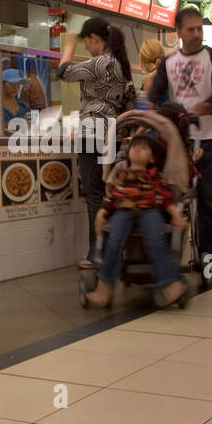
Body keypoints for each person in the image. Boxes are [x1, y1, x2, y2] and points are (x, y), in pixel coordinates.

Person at [149, 8, 212, 271]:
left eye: (200, 28)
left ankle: (210, 262)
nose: (196, 34)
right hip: (179, 142)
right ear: (179, 32)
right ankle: (167, 259)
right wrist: (165, 116)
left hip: (211, 138)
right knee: (170, 198)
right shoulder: (168, 63)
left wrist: (191, 112)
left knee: (209, 202)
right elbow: (155, 97)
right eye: (191, 29)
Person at [58, 17, 134, 269]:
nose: (87, 48)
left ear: (93, 39)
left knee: (94, 195)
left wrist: (68, 45)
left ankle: (97, 253)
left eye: (87, 42)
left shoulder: (103, 61)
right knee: (107, 193)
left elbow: (64, 72)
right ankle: (113, 250)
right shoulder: (119, 63)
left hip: (92, 131)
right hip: (110, 131)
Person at [86, 131, 189, 308]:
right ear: (128, 151)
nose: (138, 150)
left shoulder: (155, 175)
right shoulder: (121, 172)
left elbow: (165, 197)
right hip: (122, 211)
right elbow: (111, 197)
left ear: (152, 158)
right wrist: (102, 213)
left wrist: (175, 213)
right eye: (135, 146)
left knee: (156, 241)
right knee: (114, 243)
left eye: (144, 148)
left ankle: (169, 284)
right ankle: (104, 288)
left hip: (150, 210)